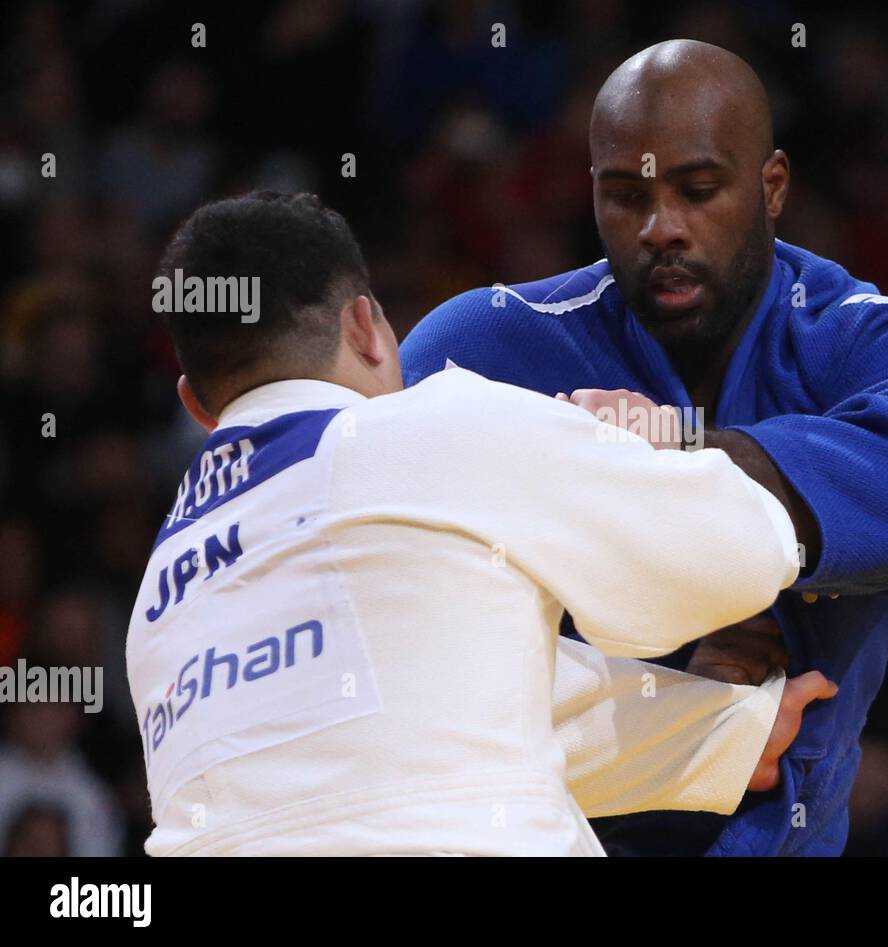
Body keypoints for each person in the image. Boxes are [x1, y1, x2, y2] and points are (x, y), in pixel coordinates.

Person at [400, 40, 888, 856]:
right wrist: (664, 654)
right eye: (625, 196)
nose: (661, 228)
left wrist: (674, 459)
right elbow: (380, 577)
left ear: (773, 186)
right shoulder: (484, 344)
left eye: (699, 189)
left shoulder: (879, 338)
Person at [127, 190, 836, 856]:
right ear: (365, 327)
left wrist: (730, 733)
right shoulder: (437, 423)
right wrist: (657, 442)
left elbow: (465, 703)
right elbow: (739, 554)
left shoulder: (159, 600)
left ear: (199, 406)